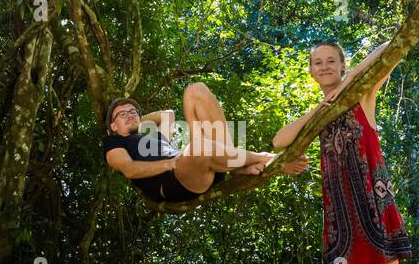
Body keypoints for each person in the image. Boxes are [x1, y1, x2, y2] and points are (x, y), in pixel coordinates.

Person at [273, 40, 414, 264]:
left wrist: (350, 80)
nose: (324, 67)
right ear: (310, 71)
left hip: (373, 201)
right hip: (341, 211)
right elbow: (280, 140)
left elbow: (386, 52)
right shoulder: (319, 114)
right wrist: (321, 108)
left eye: (331, 61)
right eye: (317, 63)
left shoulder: (360, 95)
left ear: (342, 65)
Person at [104, 82, 307, 204]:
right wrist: (171, 163)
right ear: (112, 126)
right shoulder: (114, 142)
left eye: (133, 112)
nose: (130, 114)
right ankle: (268, 158)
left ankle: (233, 165)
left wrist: (134, 122)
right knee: (198, 147)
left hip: (199, 160)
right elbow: (129, 170)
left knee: (196, 90)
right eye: (122, 114)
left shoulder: (154, 137)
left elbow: (167, 115)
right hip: (175, 181)